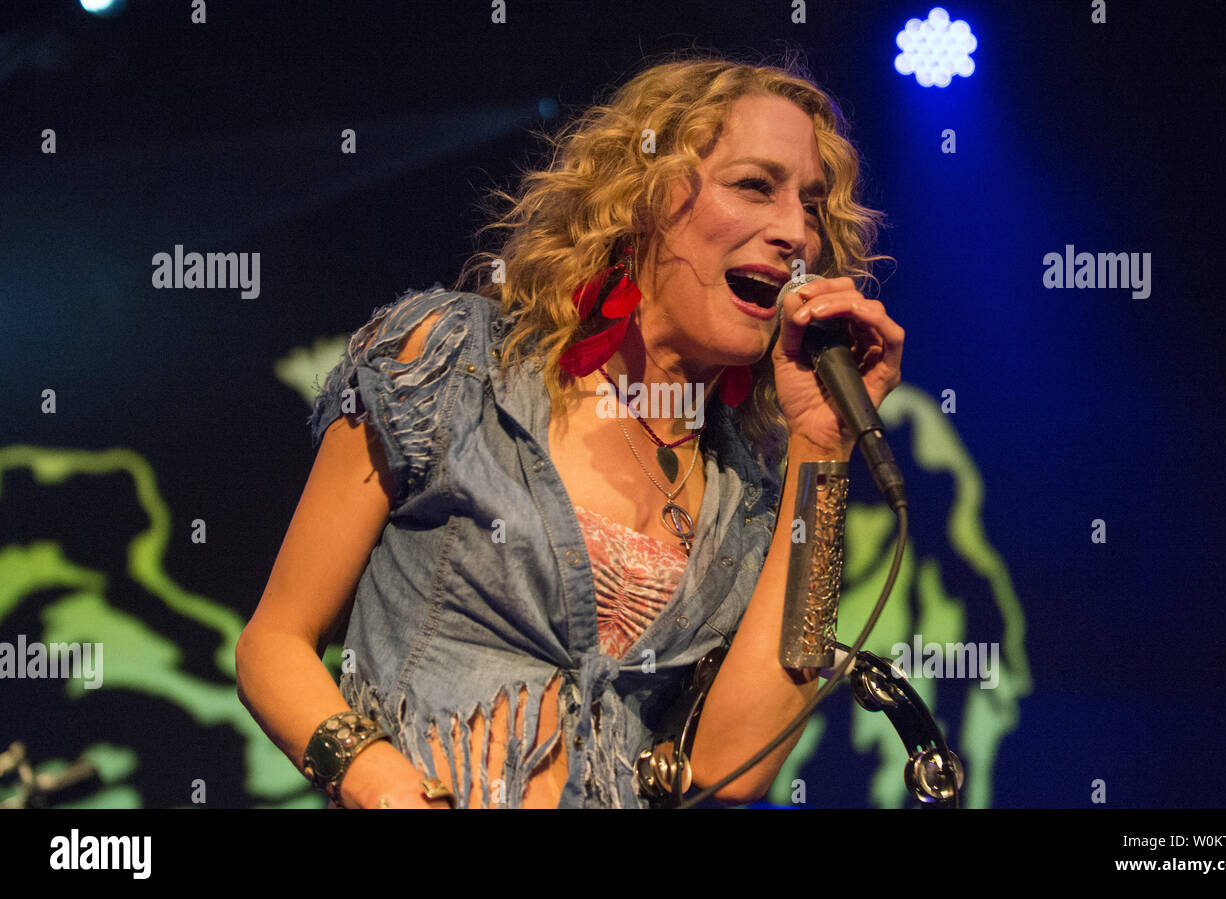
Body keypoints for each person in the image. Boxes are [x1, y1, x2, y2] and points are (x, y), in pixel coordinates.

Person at [236, 52, 903, 809]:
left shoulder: (748, 492)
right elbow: (273, 642)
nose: (796, 234)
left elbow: (733, 765)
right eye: (755, 186)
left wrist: (821, 448)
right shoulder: (452, 361)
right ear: (643, 195)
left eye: (812, 205)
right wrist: (374, 777)